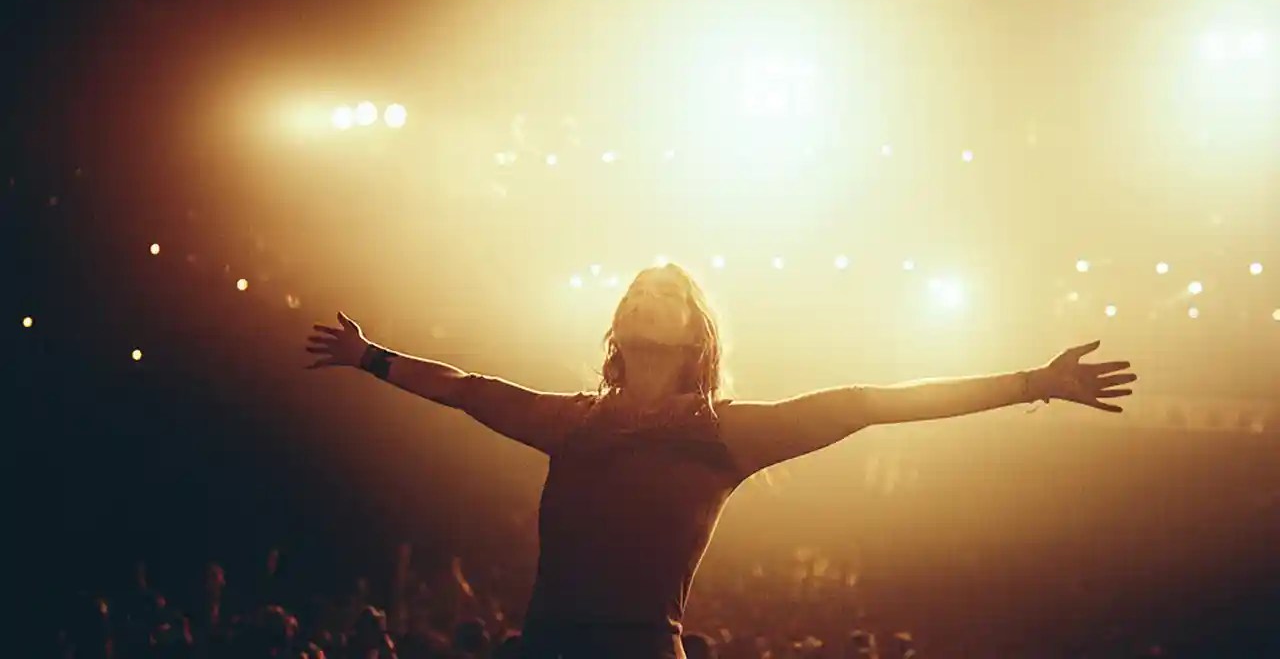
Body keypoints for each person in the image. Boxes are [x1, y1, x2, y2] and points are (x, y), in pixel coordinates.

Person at [306, 263, 1137, 659]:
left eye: (664, 294)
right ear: (616, 331)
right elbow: (464, 388)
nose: (644, 298)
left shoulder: (728, 436)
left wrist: (1033, 383)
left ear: (695, 332)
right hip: (546, 646)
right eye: (634, 293)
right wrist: (370, 357)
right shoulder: (570, 422)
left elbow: (871, 403)